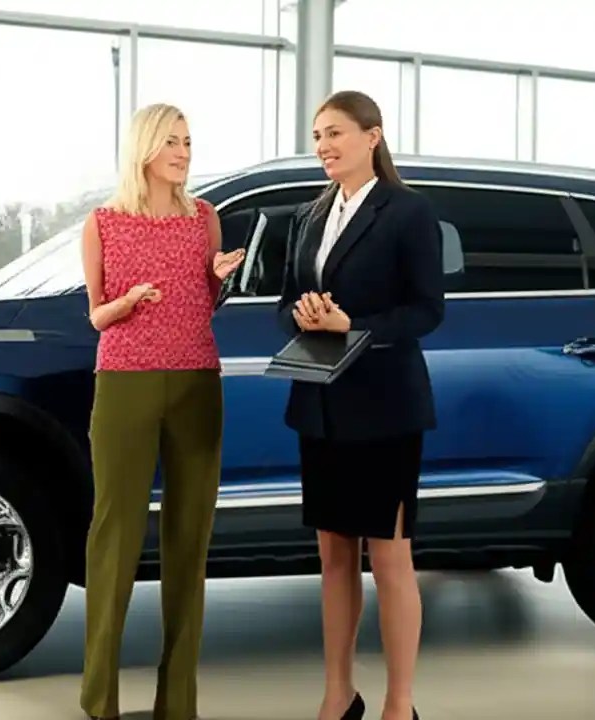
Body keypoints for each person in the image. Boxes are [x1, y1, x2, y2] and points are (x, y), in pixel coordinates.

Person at [276, 90, 444, 720]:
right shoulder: (308, 214)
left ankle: (400, 704)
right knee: (332, 555)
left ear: (372, 136)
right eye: (317, 135)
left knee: (390, 554)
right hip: (320, 404)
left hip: (386, 407)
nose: (322, 146)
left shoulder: (408, 212)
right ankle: (337, 693)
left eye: (335, 133)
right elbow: (286, 298)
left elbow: (428, 310)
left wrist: (355, 323)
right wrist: (305, 314)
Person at [79, 103, 244, 720]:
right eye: (172, 141)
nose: (183, 151)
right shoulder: (104, 222)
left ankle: (178, 701)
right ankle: (101, 699)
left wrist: (219, 275)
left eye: (188, 141)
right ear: (145, 148)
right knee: (114, 536)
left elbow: (204, 301)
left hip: (198, 380)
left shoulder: (205, 217)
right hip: (125, 383)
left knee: (189, 539)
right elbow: (95, 314)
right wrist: (126, 302)